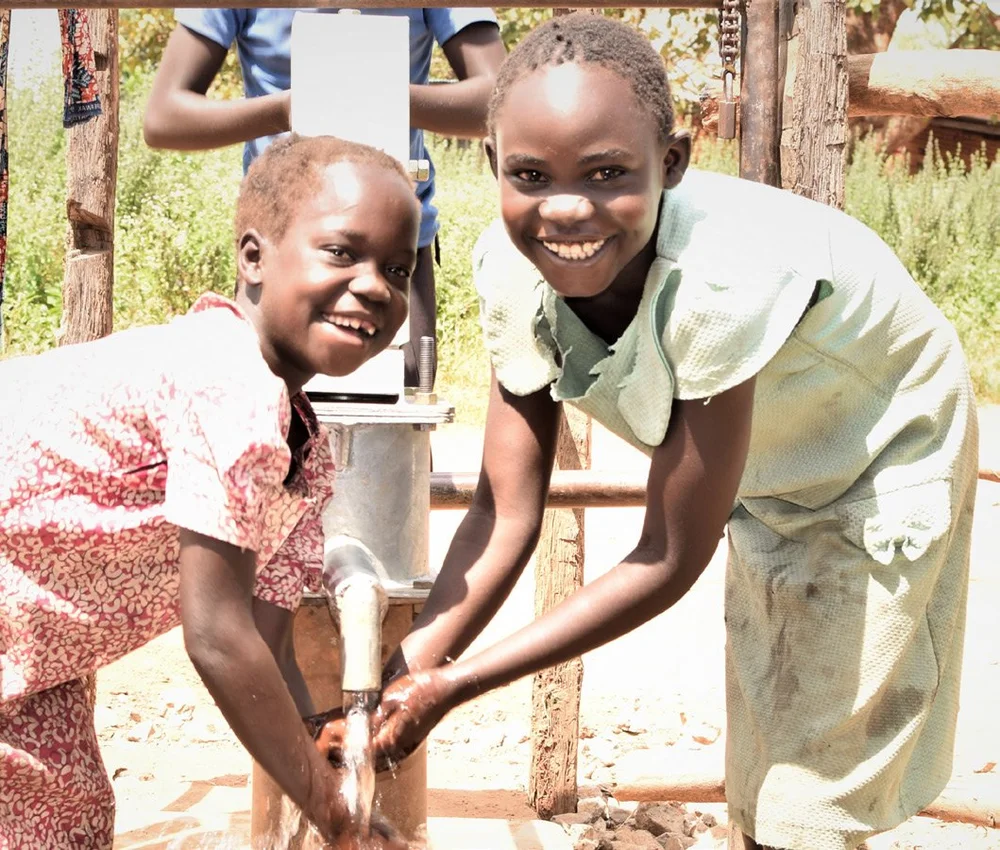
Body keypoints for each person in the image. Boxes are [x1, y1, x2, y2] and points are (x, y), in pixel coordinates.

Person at [318, 15, 980, 850]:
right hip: (773, 468)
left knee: (812, 787)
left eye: (607, 174)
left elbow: (668, 554)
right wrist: (404, 672)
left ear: (672, 162)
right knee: (775, 738)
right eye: (530, 174)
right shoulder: (511, 268)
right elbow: (504, 513)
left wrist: (458, 684)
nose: (566, 207)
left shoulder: (718, 280)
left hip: (881, 450)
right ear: (492, 165)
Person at [0, 134, 419, 850]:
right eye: (341, 253)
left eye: (398, 268)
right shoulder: (224, 377)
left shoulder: (304, 455)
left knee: (64, 816)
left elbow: (263, 639)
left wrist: (314, 737)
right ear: (253, 258)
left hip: (32, 654)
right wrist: (332, 809)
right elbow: (217, 636)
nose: (376, 285)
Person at [143, 7, 506, 389]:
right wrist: (287, 109)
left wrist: (382, 96)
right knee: (264, 402)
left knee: (400, 409)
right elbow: (164, 116)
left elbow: (501, 99)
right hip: (286, 246)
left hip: (395, 249)